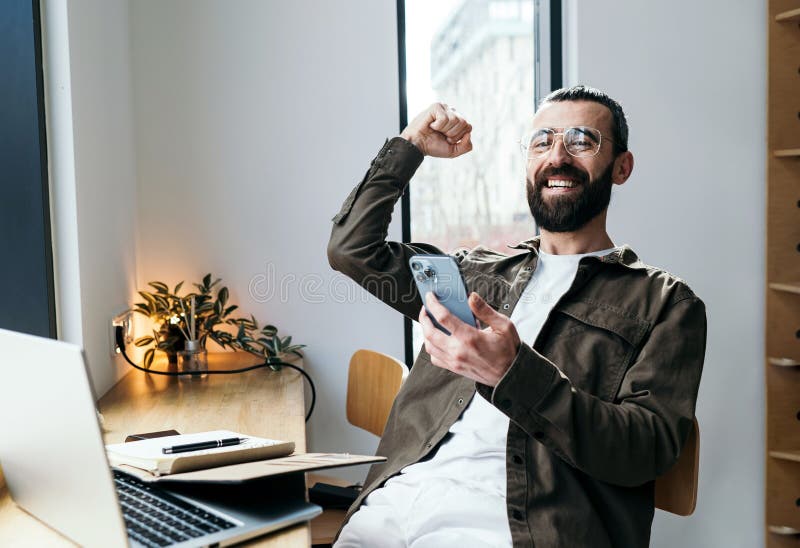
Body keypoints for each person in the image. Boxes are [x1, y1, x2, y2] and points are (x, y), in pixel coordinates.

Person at [326, 85, 707, 548]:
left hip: (509, 528)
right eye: (542, 141)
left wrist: (514, 373)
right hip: (391, 506)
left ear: (621, 167)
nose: (558, 156)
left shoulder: (666, 304)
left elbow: (645, 451)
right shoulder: (473, 272)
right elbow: (352, 250)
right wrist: (411, 145)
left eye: (582, 140)